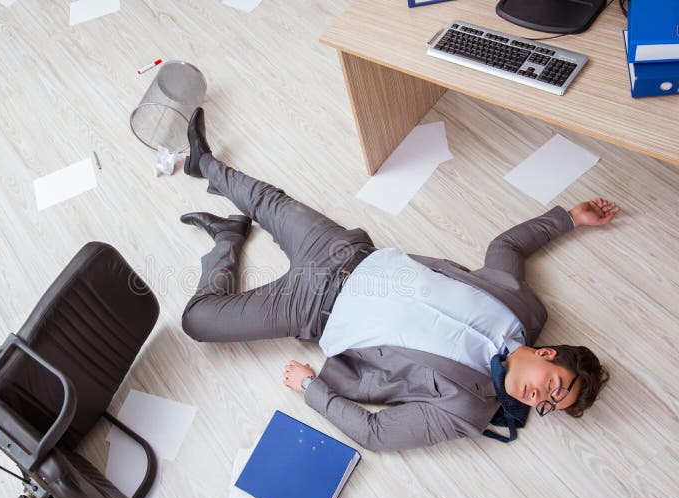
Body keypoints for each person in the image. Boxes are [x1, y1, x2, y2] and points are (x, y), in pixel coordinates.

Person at [179, 108, 615, 451]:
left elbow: (378, 433)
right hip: (345, 252)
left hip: (310, 309)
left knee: (198, 321)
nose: (539, 398)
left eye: (547, 406)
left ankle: (226, 238)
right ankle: (204, 164)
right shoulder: (521, 307)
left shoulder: (470, 408)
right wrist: (568, 219)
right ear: (548, 353)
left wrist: (311, 389)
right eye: (553, 386)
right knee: (267, 200)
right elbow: (507, 248)